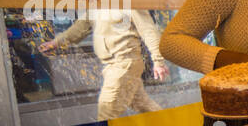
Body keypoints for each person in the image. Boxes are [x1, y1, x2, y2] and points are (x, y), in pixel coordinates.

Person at [40, 7, 168, 119]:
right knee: (144, 105)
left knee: (106, 113)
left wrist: (158, 61)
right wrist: (56, 42)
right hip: (113, 66)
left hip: (125, 64)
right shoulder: (98, 5)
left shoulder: (130, 1)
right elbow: (79, 28)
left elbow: (149, 31)